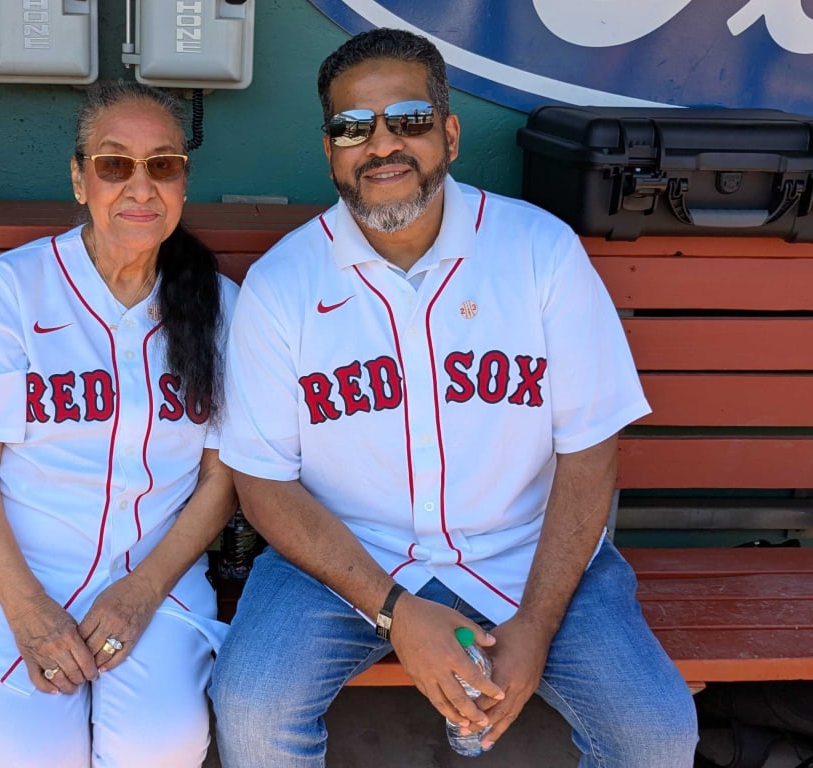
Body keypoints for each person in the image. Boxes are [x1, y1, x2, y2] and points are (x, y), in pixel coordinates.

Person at [209, 29, 698, 767]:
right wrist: (395, 612)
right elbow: (264, 483)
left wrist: (534, 627)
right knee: (250, 711)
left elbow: (591, 449)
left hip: (526, 548)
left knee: (657, 736)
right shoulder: (283, 284)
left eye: (408, 119)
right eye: (352, 127)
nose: (382, 146)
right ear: (329, 149)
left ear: (449, 132)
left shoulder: (539, 251)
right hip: (345, 559)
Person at [0, 81, 238, 767]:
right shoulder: (15, 288)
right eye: (114, 164)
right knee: (36, 754)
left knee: (164, 746)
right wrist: (26, 609)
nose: (140, 187)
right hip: (7, 566)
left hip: (154, 570)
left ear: (184, 180)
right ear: (79, 178)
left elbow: (221, 478)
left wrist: (144, 589)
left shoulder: (219, 306)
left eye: (163, 164)